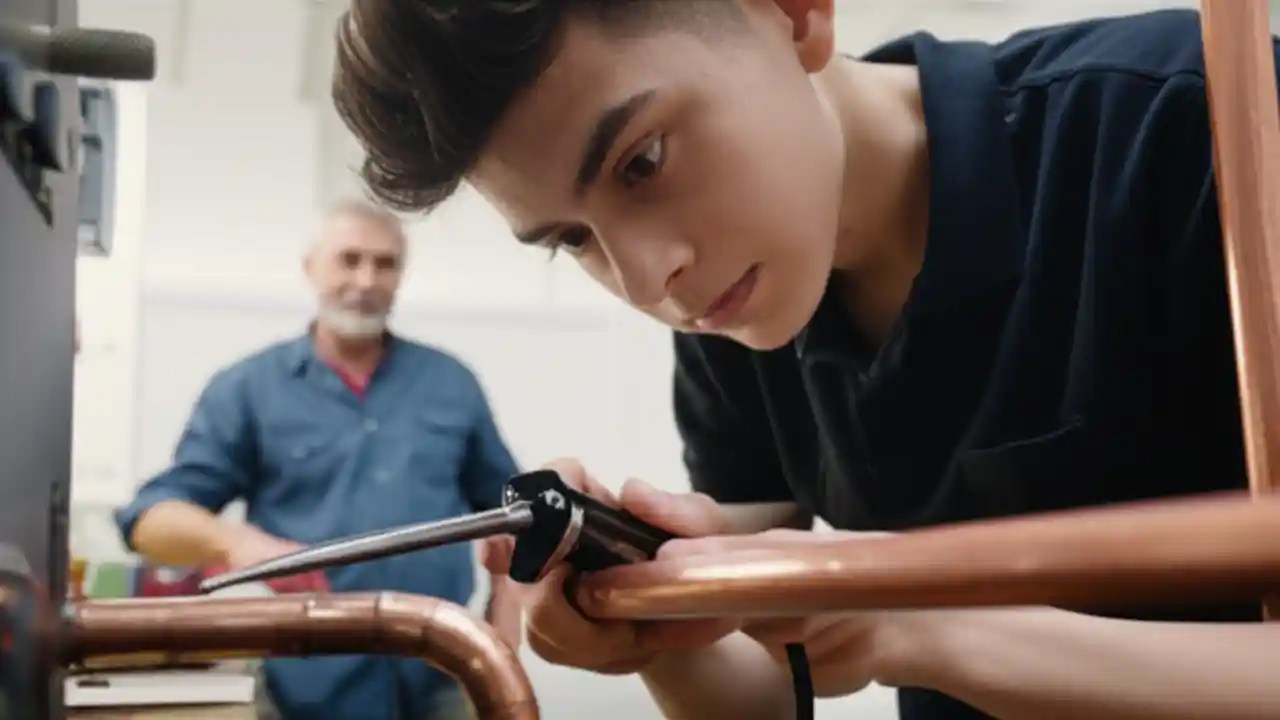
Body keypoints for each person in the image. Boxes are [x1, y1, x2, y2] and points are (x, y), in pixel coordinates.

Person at [331, 2, 1280, 719]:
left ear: (791, 12)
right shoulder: (738, 309)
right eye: (573, 239)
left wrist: (918, 619)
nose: (649, 277)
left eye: (644, 160)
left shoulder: (1190, 124)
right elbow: (765, 701)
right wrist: (658, 626)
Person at [114, 200, 523, 720]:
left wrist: (504, 620)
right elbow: (148, 519)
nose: (366, 279)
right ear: (311, 268)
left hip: (440, 674)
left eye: (385, 263)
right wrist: (240, 543)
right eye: (349, 260)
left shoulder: (451, 383)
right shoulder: (248, 389)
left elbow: (513, 516)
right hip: (304, 684)